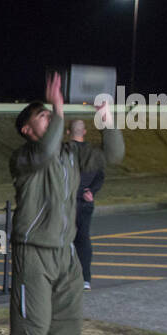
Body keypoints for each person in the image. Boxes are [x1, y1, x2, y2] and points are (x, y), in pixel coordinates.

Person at [3, 74, 124, 335]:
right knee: (33, 325)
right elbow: (46, 150)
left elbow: (113, 156)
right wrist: (58, 107)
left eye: (50, 114)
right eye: (41, 116)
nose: (50, 118)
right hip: (33, 252)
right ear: (27, 129)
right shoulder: (24, 157)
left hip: (65, 252)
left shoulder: (73, 154)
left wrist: (108, 119)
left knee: (67, 322)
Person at [69, 118, 106, 289]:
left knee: (64, 240)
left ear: (68, 132)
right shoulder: (94, 153)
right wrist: (91, 191)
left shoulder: (65, 151)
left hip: (67, 202)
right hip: (86, 201)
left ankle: (65, 277)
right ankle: (85, 278)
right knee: (83, 239)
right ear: (84, 132)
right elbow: (100, 176)